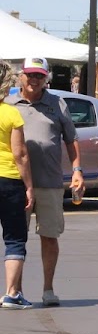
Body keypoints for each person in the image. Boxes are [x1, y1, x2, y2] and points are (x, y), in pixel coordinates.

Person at [7, 57, 83, 308]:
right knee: (17, 237)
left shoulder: (57, 103)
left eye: (39, 75)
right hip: (18, 182)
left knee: (49, 236)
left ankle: (48, 289)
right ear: (21, 76)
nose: (34, 80)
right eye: (30, 75)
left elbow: (71, 139)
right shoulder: (8, 103)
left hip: (50, 182)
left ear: (46, 78)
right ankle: (14, 290)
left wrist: (77, 170)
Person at [0, 63, 35, 310]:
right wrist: (29, 186)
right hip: (9, 180)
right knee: (14, 237)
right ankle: (12, 293)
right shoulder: (12, 114)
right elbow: (20, 153)